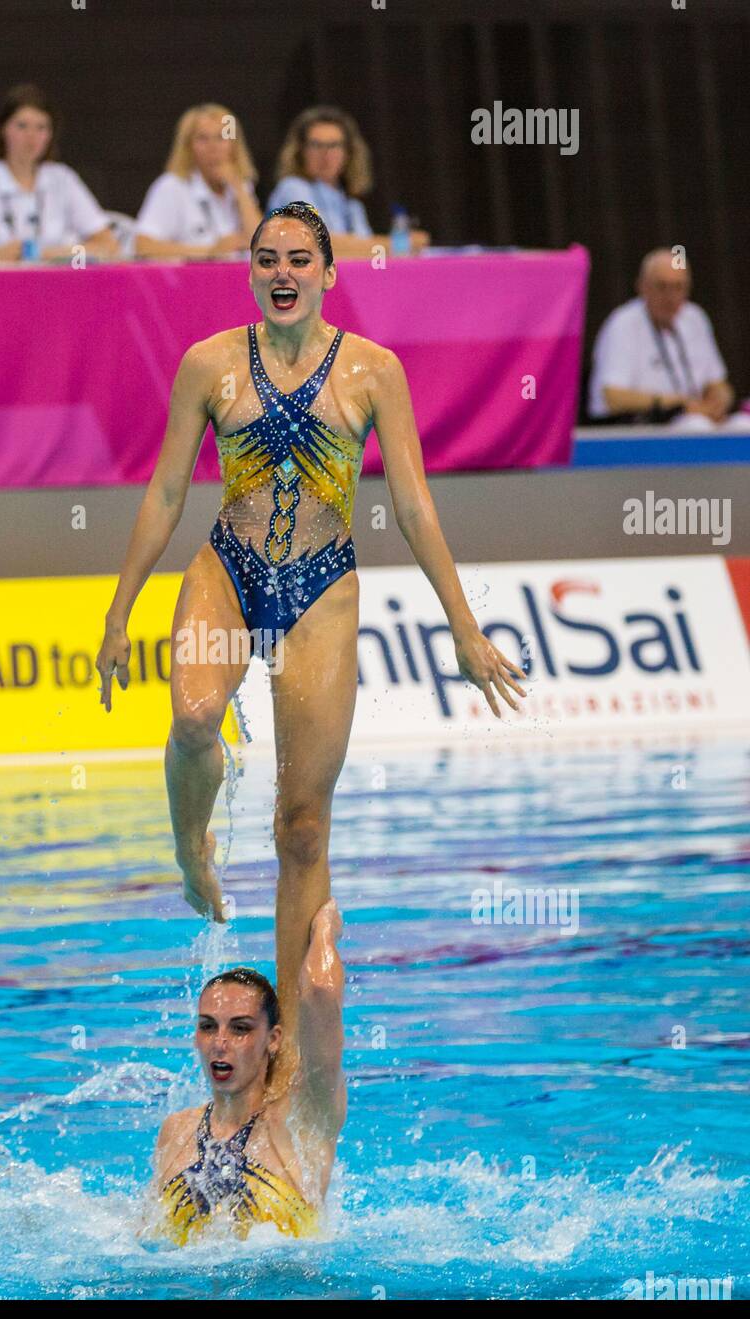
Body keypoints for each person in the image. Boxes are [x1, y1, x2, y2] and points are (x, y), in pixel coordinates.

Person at [96, 201, 525, 1074]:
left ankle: (282, 1048)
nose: (282, 272)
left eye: (299, 258)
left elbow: (412, 506)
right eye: (266, 259)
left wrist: (463, 626)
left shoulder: (373, 373)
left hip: (321, 588)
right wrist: (119, 608)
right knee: (190, 717)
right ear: (251, 272)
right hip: (228, 568)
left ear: (330, 273)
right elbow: (167, 493)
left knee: (301, 826)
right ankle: (191, 852)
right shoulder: (208, 365)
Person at [147, 898, 344, 1245]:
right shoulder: (176, 1131)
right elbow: (144, 1238)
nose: (219, 1042)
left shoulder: (302, 1122)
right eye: (208, 1026)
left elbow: (320, 994)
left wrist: (325, 931)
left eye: (240, 1029)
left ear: (273, 1039)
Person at [0, 84, 120, 264]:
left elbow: (109, 246)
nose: (31, 136)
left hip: (56, 286)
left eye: (41, 127)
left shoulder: (63, 179)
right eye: (22, 126)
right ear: (3, 129)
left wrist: (47, 254)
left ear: (51, 134)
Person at [587, 248, 749, 430]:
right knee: (696, 427)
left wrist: (718, 400)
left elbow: (717, 382)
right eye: (662, 287)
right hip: (640, 423)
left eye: (678, 287)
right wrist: (677, 403)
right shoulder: (623, 323)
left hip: (691, 415)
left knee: (744, 425)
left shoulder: (694, 318)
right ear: (642, 287)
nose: (670, 297)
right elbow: (612, 397)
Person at [266, 106, 430, 259]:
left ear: (349, 152)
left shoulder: (352, 204)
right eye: (316, 145)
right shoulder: (293, 188)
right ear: (300, 151)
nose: (325, 154)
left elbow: (369, 252)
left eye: (334, 145)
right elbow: (317, 245)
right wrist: (400, 244)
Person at [133, 103, 263, 261]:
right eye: (203, 139)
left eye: (222, 137)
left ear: (234, 145)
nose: (213, 147)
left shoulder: (241, 186)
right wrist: (208, 252)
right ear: (188, 146)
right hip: (189, 281)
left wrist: (240, 191)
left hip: (239, 280)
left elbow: (262, 245)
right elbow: (143, 247)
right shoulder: (171, 186)